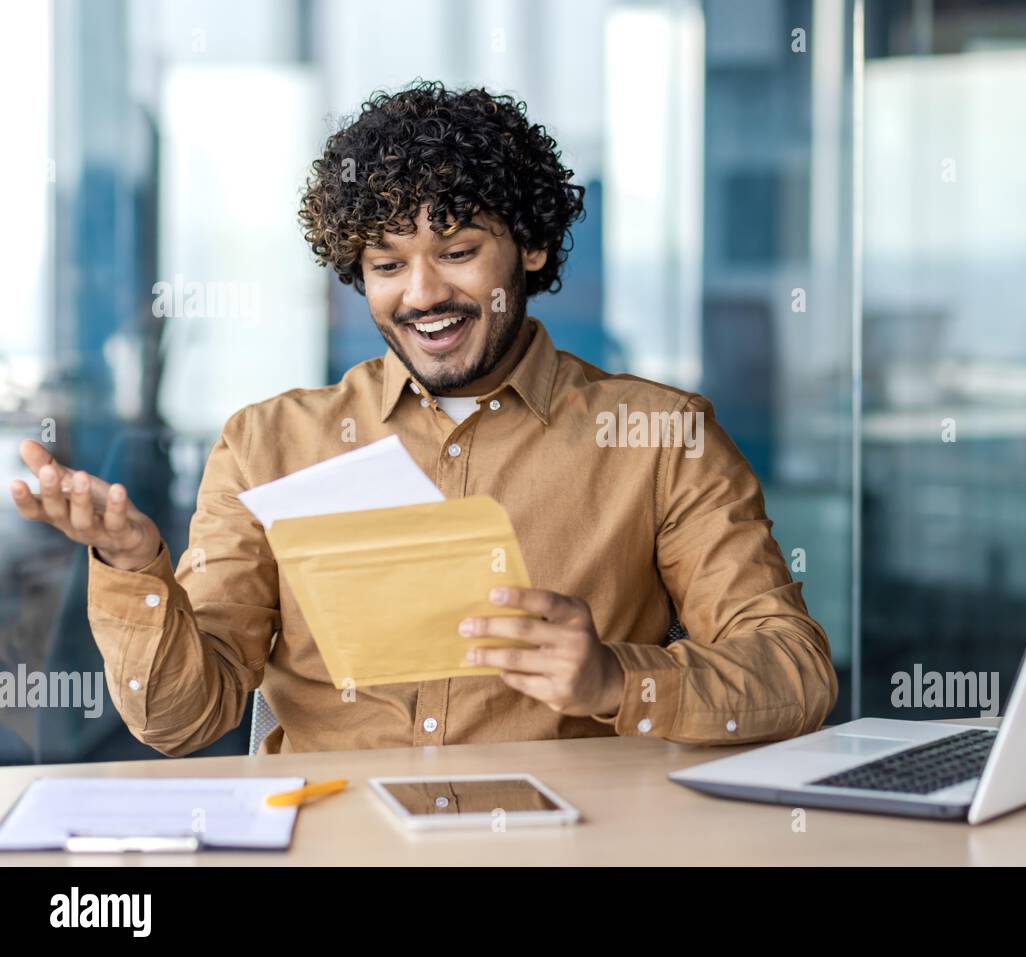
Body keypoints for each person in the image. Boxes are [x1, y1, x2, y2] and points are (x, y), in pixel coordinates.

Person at [10, 80, 836, 756]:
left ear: (532, 247)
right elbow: (182, 719)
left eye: (459, 251)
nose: (423, 294)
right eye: (386, 264)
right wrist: (131, 566)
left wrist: (619, 680)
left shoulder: (662, 438)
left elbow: (796, 672)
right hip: (333, 841)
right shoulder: (267, 444)